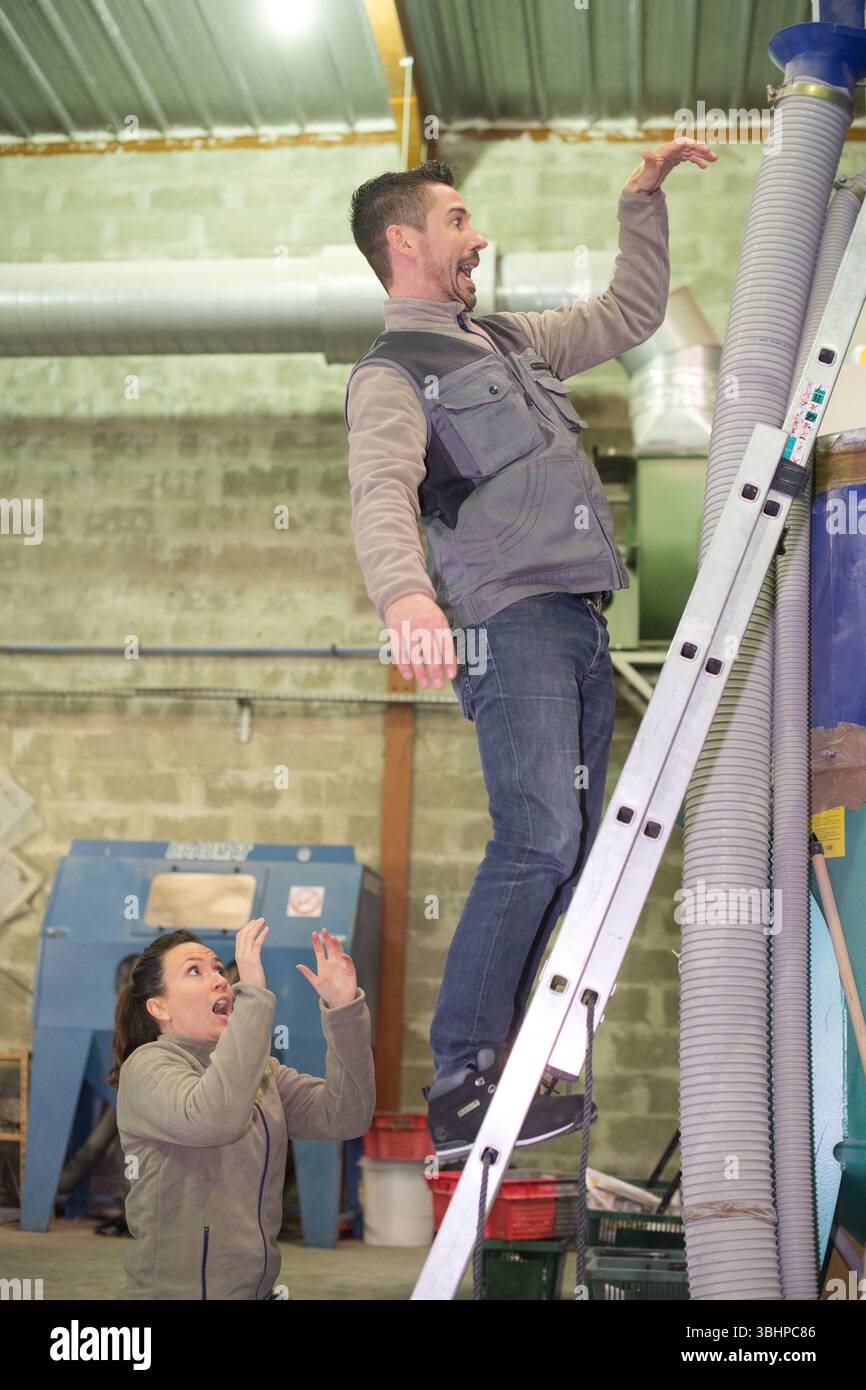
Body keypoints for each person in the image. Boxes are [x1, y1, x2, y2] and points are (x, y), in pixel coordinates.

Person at [345, 140, 717, 1161]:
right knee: (538, 834)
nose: (479, 238)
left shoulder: (507, 339)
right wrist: (406, 595)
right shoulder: (393, 374)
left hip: (576, 624)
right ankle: (464, 1073)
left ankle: (500, 1060)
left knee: (572, 848)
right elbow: (379, 491)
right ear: (404, 241)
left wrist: (638, 203)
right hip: (507, 622)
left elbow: (630, 316)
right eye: (458, 221)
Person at [111, 917, 375, 1299]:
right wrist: (252, 994)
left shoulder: (261, 1075)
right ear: (160, 1007)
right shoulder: (147, 1068)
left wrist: (343, 1010)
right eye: (194, 971)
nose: (220, 978)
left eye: (219, 968)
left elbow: (347, 1115)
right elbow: (214, 1117)